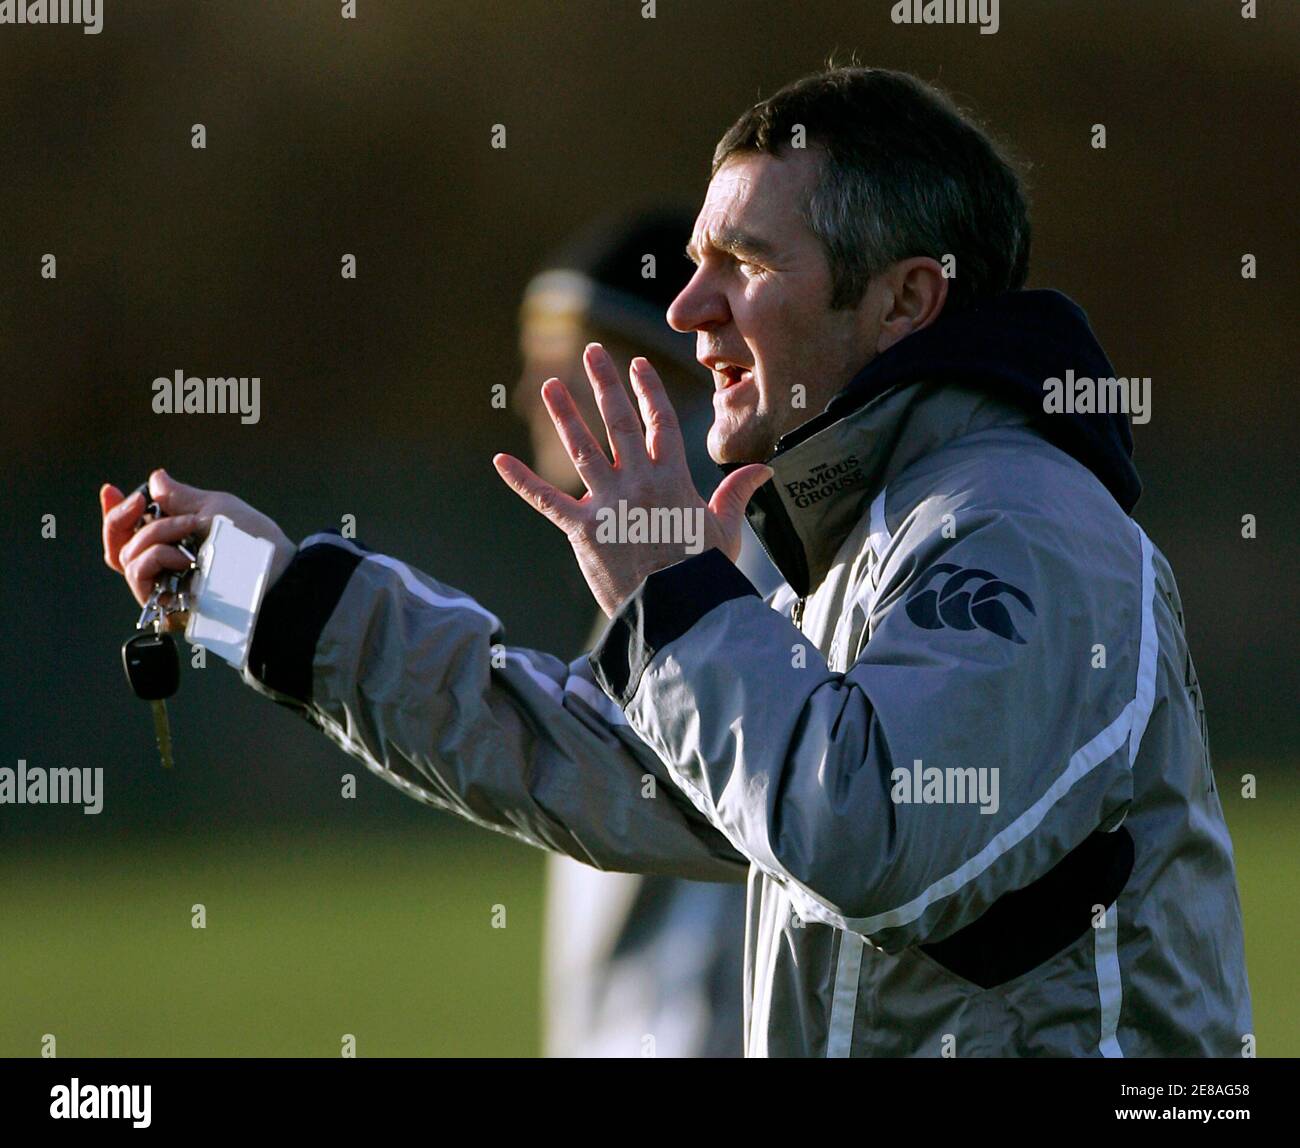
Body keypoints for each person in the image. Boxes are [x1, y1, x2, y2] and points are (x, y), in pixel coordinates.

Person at [101, 66, 1252, 1057]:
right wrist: (266, 596)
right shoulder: (862, 542)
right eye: (694, 261)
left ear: (907, 297)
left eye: (743, 260)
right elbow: (607, 767)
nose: (690, 306)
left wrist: (671, 593)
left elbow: (870, 831)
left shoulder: (1025, 523)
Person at [514, 210, 777, 1058]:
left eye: (555, 370)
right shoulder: (654, 563)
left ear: (655, 382)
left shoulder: (743, 571)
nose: (527, 398)